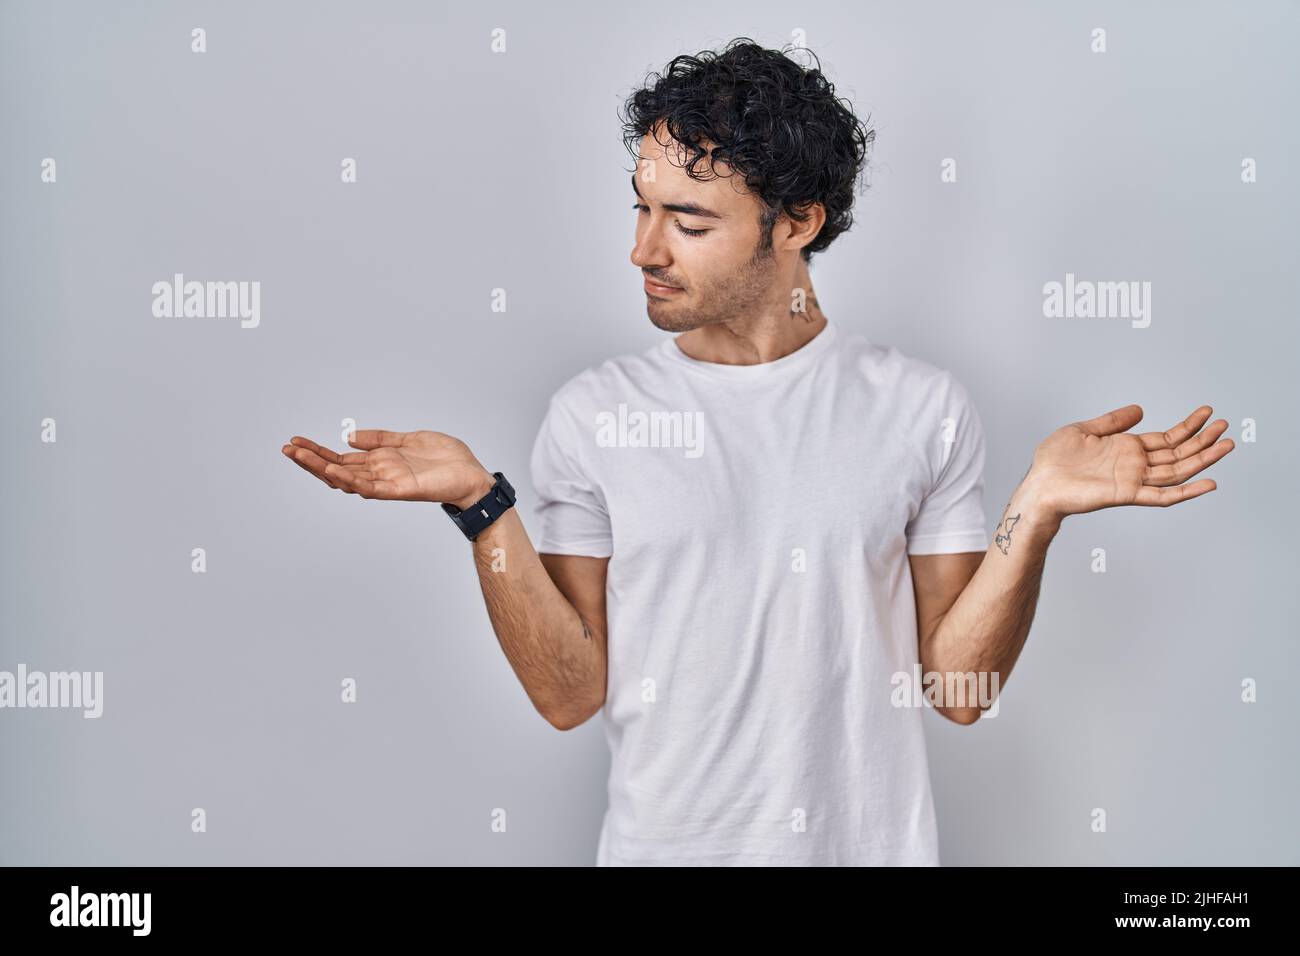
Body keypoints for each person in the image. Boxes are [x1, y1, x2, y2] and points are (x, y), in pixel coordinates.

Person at [281, 39, 1234, 865]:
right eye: (641, 208)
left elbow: (957, 691)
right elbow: (570, 696)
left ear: (798, 222)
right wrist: (483, 511)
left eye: (690, 222)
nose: (645, 250)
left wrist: (1036, 512)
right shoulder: (594, 414)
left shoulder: (921, 408)